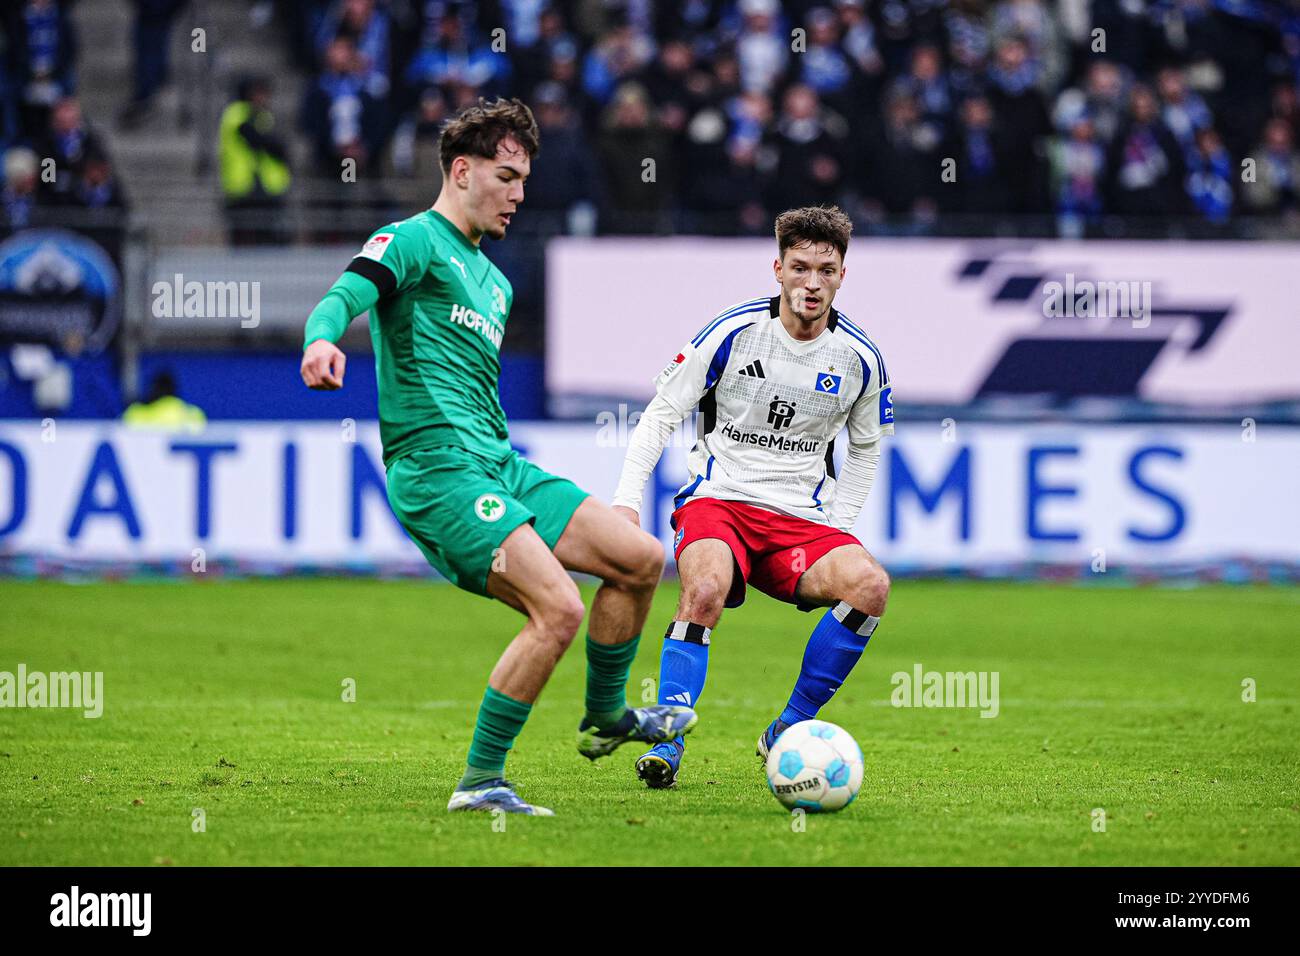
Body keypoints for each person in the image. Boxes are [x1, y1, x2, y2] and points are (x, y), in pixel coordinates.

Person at [299, 98, 696, 816]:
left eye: (524, 179)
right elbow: (345, 292)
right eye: (507, 176)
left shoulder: (497, 281)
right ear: (461, 170)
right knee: (557, 607)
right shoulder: (413, 239)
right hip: (438, 470)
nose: (519, 194)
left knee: (640, 559)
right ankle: (480, 782)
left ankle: (605, 718)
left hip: (499, 465)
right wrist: (322, 340)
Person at [611, 205, 894, 789]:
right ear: (778, 268)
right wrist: (625, 502)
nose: (811, 283)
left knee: (871, 586)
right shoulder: (733, 332)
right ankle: (668, 739)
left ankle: (788, 728)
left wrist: (839, 525)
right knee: (705, 590)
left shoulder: (860, 359)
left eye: (826, 269)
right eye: (799, 268)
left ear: (843, 275)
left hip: (800, 520)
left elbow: (866, 449)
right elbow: (664, 412)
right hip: (719, 501)